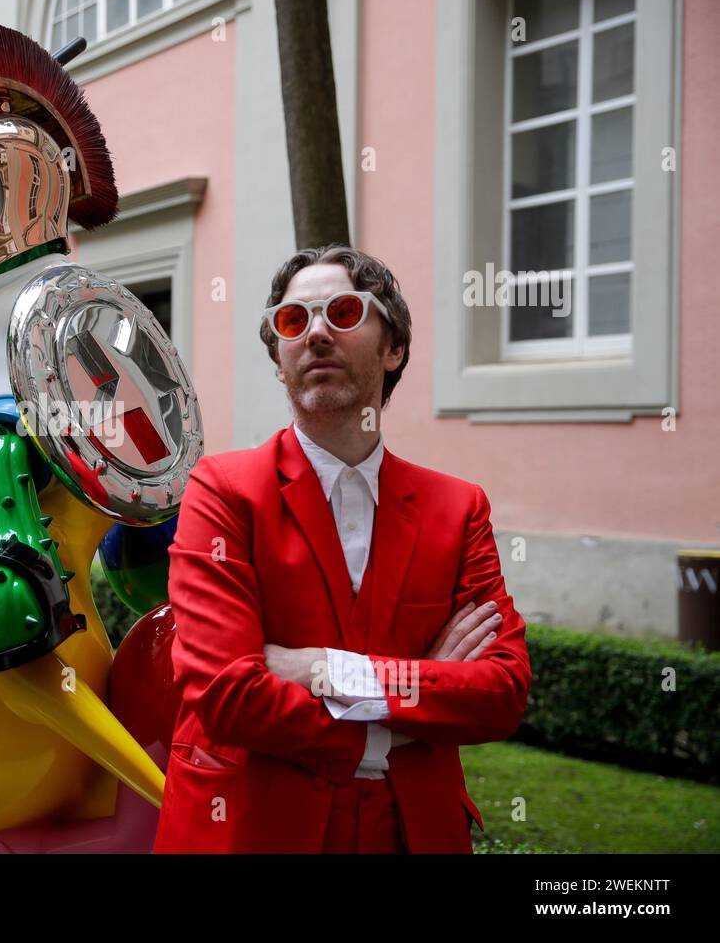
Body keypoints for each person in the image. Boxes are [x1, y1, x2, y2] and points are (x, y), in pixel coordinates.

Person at [152, 245, 531, 853]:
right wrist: (392, 727)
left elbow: (501, 693)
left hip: (411, 831)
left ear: (393, 348)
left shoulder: (459, 509)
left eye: (345, 312)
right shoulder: (222, 490)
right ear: (279, 359)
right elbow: (226, 694)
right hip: (251, 828)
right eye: (294, 321)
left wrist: (325, 670)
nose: (317, 333)